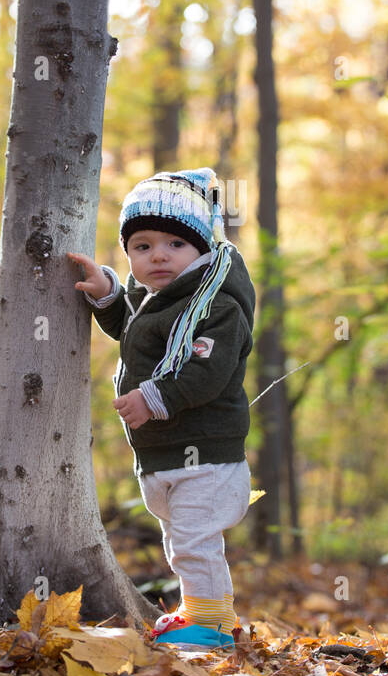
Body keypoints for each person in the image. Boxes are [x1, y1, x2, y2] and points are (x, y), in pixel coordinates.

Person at [67, 167, 256, 650]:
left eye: (175, 243)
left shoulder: (216, 306)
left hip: (206, 454)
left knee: (196, 542)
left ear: (201, 248)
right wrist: (108, 294)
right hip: (166, 454)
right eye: (143, 246)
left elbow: (207, 373)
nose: (158, 256)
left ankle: (214, 626)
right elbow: (136, 336)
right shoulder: (156, 300)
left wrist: (154, 399)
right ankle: (198, 608)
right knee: (180, 543)